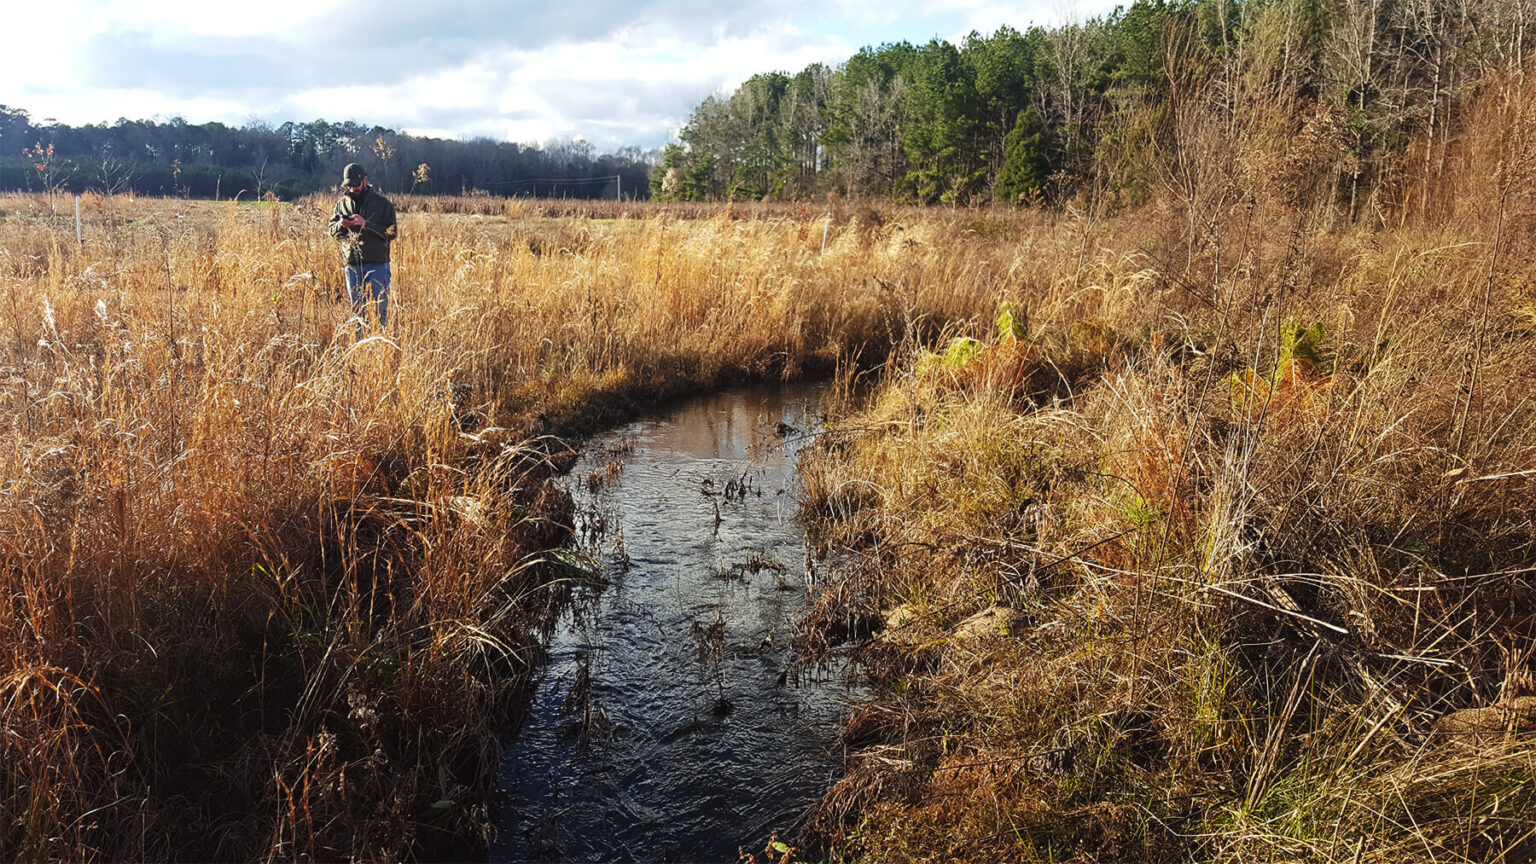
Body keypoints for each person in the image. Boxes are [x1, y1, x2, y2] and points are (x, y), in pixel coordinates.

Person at [328, 163, 397, 336]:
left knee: (381, 309)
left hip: (378, 264)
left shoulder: (383, 204)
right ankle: (360, 346)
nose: (352, 188)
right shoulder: (341, 204)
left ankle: (382, 344)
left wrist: (366, 225)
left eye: (356, 184)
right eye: (349, 185)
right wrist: (341, 225)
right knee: (358, 312)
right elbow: (332, 231)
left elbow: (392, 233)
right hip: (352, 265)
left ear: (365, 180)